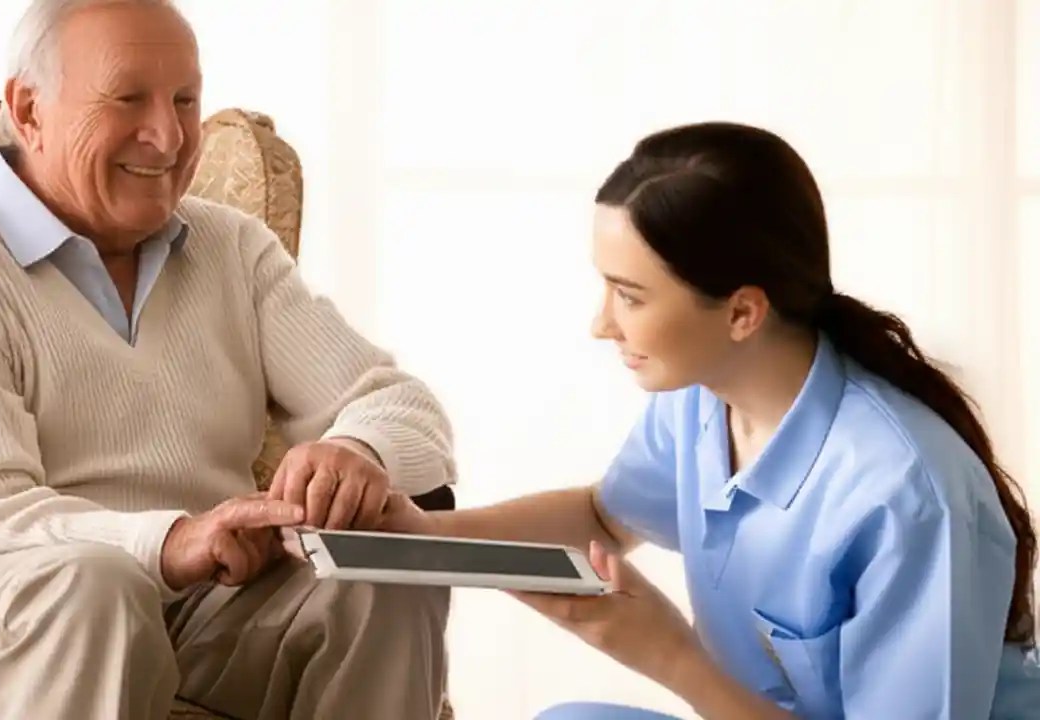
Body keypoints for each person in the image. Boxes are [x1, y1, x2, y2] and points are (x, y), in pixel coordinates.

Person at [0, 1, 454, 718]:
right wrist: (166, 541)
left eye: (185, 100)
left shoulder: (232, 249)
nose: (169, 136)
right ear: (29, 109)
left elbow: (400, 404)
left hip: (213, 597)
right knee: (97, 585)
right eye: (129, 99)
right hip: (7, 585)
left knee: (386, 577)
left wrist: (356, 448)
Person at [377, 122, 1040, 718]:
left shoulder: (906, 497)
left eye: (630, 296)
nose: (601, 324)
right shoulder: (700, 399)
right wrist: (425, 537)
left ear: (742, 312)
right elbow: (604, 519)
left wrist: (669, 655)